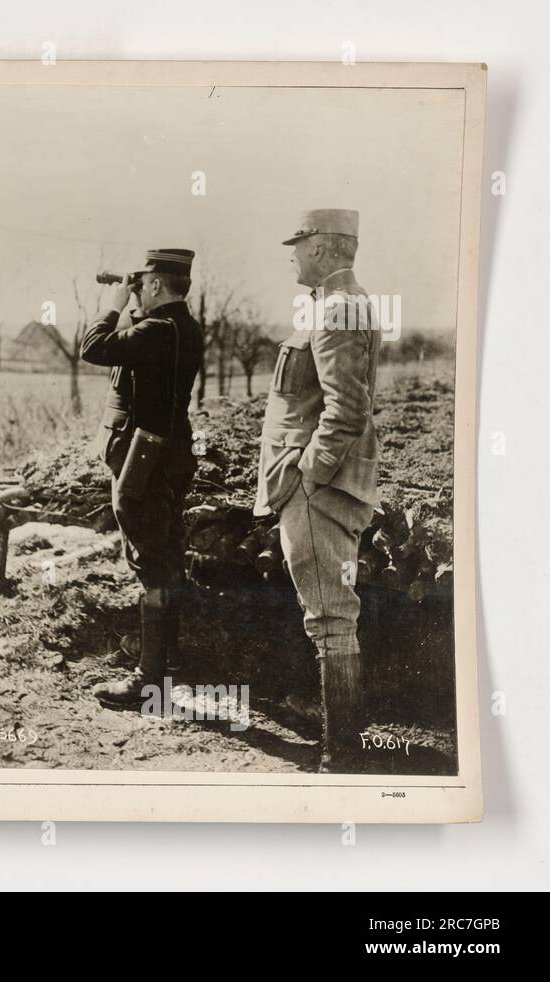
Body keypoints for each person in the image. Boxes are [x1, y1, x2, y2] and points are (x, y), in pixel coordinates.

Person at [256, 209, 381, 772]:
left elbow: (348, 407)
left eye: (300, 243)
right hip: (310, 481)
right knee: (329, 610)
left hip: (317, 486)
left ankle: (342, 755)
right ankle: (341, 746)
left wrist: (310, 473)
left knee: (330, 614)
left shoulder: (338, 308)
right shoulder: (332, 305)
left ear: (326, 250)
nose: (293, 253)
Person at [80, 249, 204, 707]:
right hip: (163, 456)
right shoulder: (176, 327)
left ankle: (148, 681)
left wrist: (113, 302)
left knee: (150, 564)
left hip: (144, 462)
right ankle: (164, 668)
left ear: (154, 285)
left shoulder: (157, 330)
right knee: (162, 558)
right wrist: (134, 302)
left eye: (142, 284)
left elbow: (94, 346)